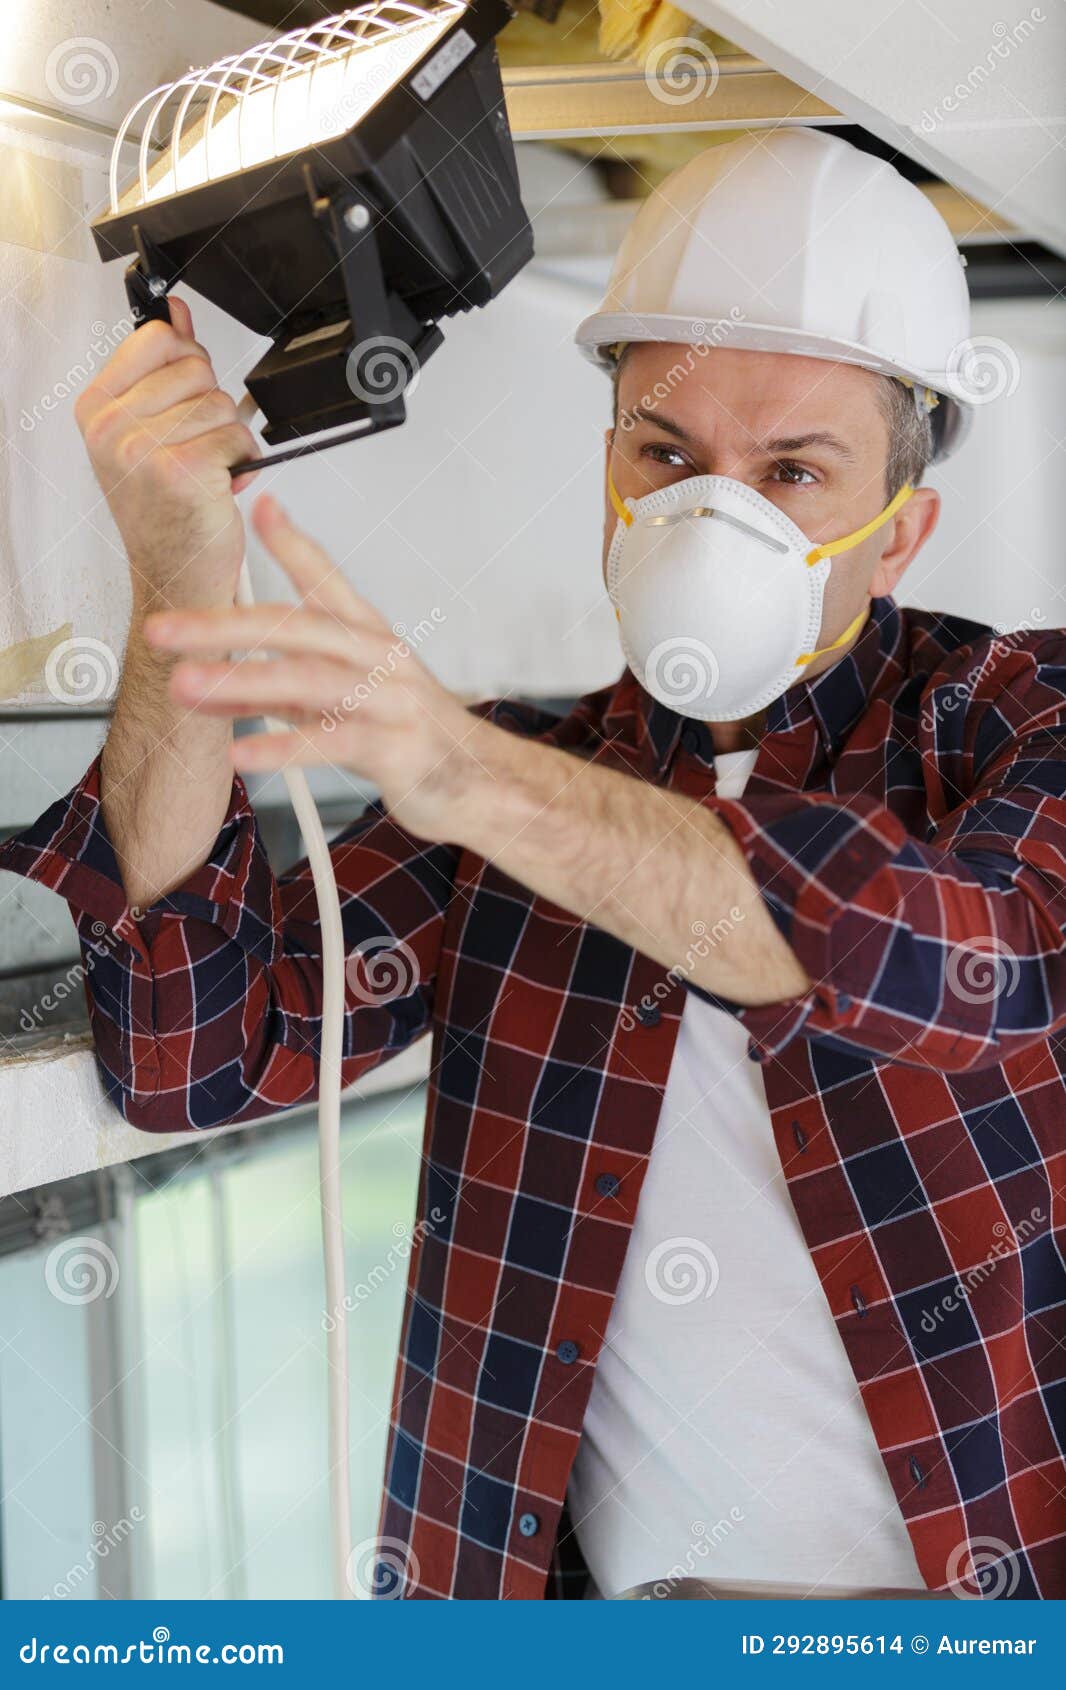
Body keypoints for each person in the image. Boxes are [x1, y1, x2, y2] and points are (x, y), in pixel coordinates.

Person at [3, 129, 1064, 1600]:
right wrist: (183, 562)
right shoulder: (511, 784)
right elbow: (192, 1050)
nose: (715, 515)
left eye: (794, 472)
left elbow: (959, 963)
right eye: (667, 454)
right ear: (610, 466)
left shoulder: (1016, 722)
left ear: (901, 534)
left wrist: (470, 774)